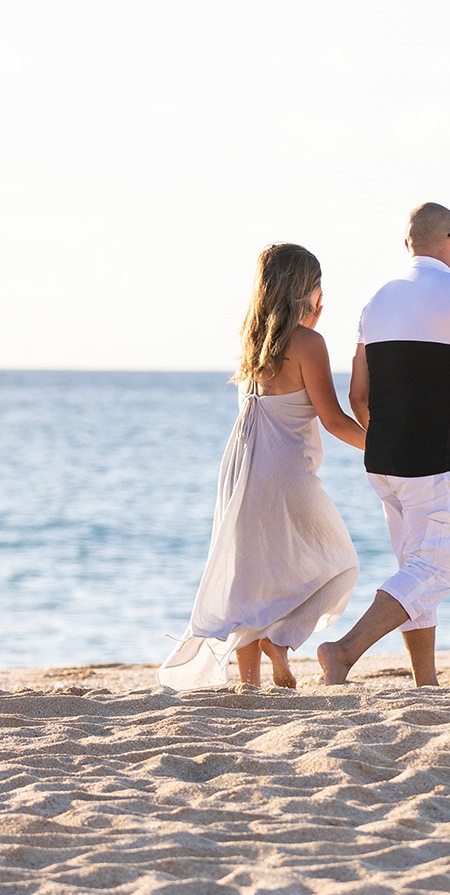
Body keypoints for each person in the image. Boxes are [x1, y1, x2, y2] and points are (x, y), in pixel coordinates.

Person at [318, 203, 450, 687]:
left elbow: (357, 396)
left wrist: (386, 441)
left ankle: (424, 681)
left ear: (408, 245)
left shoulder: (377, 301)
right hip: (430, 463)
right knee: (434, 569)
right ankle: (343, 652)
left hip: (382, 463)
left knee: (415, 568)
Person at [158, 243, 366, 691]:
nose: (322, 296)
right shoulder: (309, 343)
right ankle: (280, 642)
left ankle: (252, 682)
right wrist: (383, 449)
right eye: (318, 286)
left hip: (241, 471)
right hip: (287, 473)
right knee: (337, 561)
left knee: (248, 576)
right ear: (303, 289)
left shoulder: (252, 343)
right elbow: (332, 420)